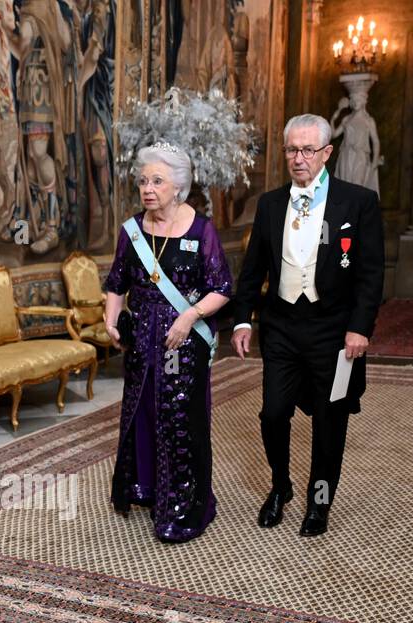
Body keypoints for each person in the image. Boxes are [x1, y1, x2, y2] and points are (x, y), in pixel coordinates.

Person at [224, 113, 384, 536]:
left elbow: (371, 274)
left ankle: (319, 502)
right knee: (273, 414)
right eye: (292, 150)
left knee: (330, 421)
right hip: (281, 328)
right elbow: (253, 268)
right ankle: (280, 487)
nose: (298, 158)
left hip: (333, 331)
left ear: (327, 153)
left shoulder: (358, 202)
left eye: (307, 150)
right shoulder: (271, 204)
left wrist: (360, 327)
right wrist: (242, 320)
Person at [101, 141, 233, 541]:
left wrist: (190, 315)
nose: (148, 188)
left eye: (157, 180)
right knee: (142, 411)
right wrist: (110, 321)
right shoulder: (132, 231)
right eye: (143, 181)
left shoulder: (201, 230)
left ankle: (182, 504)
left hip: (182, 343)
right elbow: (116, 282)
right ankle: (145, 487)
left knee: (178, 417)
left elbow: (222, 287)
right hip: (142, 339)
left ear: (178, 186)